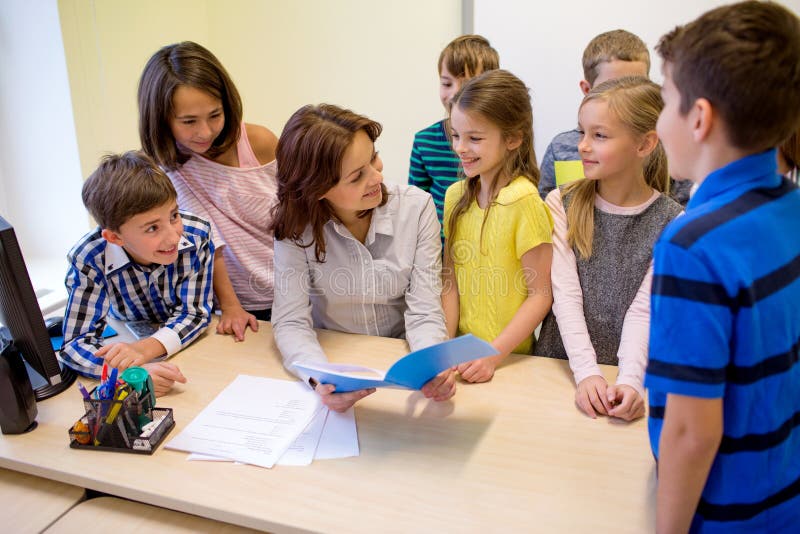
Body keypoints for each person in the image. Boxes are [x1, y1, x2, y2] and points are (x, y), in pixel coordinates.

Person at [644, 2, 800, 531]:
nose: (660, 122)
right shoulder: (792, 206)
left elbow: (692, 434)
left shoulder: (692, 245)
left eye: (664, 101)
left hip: (723, 514)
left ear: (700, 117)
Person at [270, 104, 454, 413]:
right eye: (357, 176)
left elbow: (424, 310)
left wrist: (432, 362)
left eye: (373, 158)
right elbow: (290, 321)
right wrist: (321, 380)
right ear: (317, 190)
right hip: (337, 360)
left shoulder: (416, 208)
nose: (377, 176)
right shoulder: (295, 229)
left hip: (401, 365)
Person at [536, 77, 682, 422]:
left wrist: (630, 380)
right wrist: (587, 373)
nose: (583, 146)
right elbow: (565, 296)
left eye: (599, 136)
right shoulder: (562, 202)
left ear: (645, 144)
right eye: (582, 132)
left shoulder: (674, 220)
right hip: (562, 367)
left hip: (629, 375)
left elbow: (643, 312)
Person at [138, 41, 278, 340]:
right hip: (231, 309)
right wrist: (230, 306)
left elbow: (300, 219)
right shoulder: (163, 168)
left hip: (295, 295)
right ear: (161, 119)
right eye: (189, 121)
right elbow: (206, 241)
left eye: (215, 115)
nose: (205, 132)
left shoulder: (260, 142)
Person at [60, 151, 215, 397]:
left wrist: (143, 350)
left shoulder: (196, 235)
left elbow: (194, 313)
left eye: (174, 215)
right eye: (152, 228)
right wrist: (132, 374)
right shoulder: (89, 258)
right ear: (115, 237)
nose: (174, 236)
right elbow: (75, 343)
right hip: (126, 328)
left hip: (181, 346)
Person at [442, 69, 554, 383]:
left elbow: (541, 295)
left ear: (513, 139)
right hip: (461, 359)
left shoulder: (525, 200)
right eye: (455, 135)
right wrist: (443, 350)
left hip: (509, 362)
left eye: (474, 138)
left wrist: (492, 355)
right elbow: (450, 283)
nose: (460, 148)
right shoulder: (455, 197)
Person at [538, 30, 650, 199]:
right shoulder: (560, 149)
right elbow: (545, 212)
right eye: (612, 87)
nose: (627, 97)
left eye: (637, 86)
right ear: (587, 89)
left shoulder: (663, 147)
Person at [409, 35, 499, 239]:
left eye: (467, 84)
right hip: (440, 251)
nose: (455, 94)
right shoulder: (424, 142)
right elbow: (414, 208)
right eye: (447, 84)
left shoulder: (500, 141)